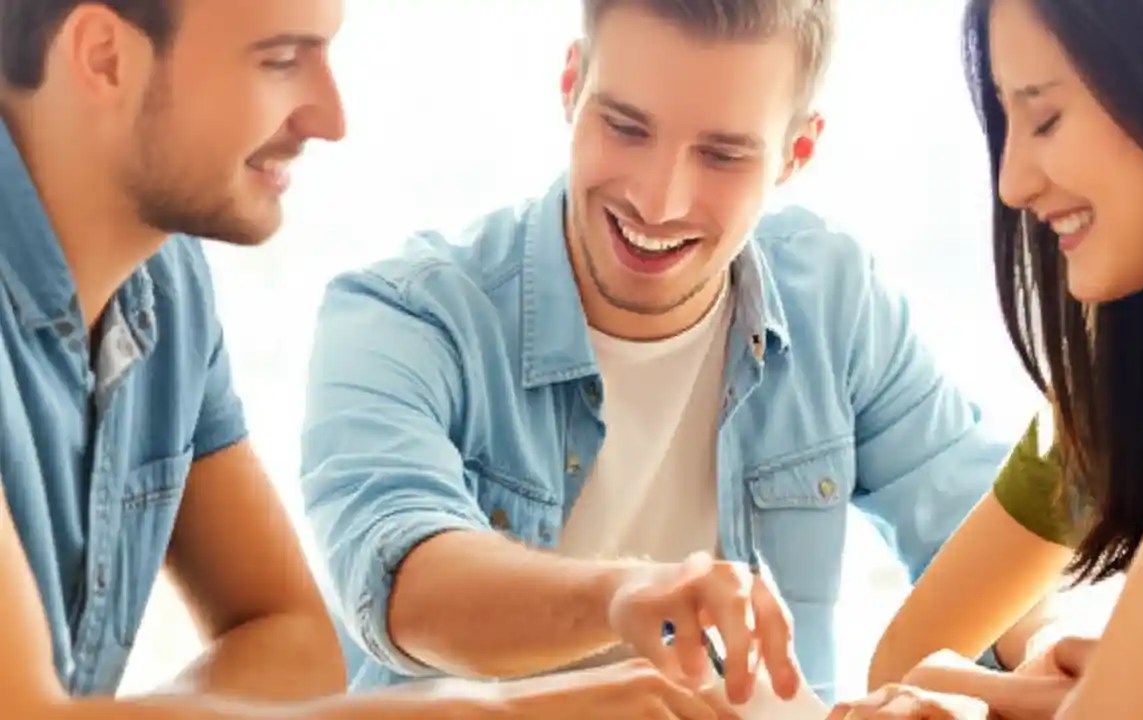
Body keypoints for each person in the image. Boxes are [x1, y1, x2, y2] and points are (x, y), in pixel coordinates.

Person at [0, 1, 746, 718]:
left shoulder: (163, 286)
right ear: (104, 58)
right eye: (281, 61)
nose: (329, 118)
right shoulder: (405, 307)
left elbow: (290, 639)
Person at [299, 0, 1011, 711]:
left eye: (723, 155)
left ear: (797, 153)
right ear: (572, 86)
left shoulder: (836, 297)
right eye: (625, 127)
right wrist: (623, 596)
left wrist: (1042, 657)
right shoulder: (405, 315)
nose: (658, 200)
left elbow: (983, 527)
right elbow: (401, 583)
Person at [848, 0, 1143, 718]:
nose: (1012, 184)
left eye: (1045, 118)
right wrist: (1038, 689)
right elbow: (905, 661)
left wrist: (1003, 693)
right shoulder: (1133, 380)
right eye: (1006, 124)